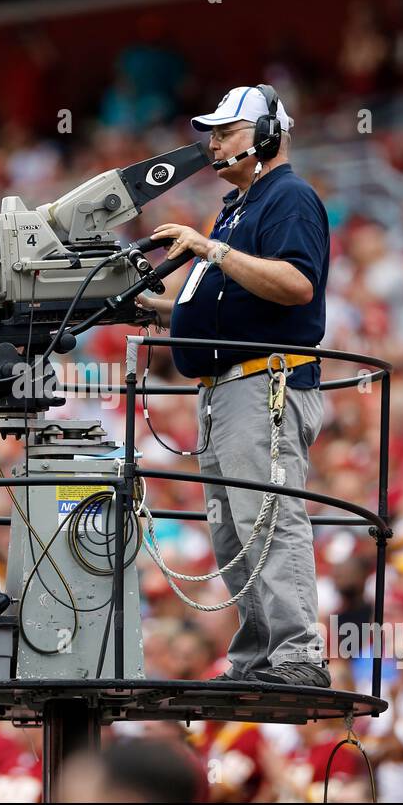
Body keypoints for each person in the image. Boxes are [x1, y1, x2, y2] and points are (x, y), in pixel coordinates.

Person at [140, 85, 331, 686]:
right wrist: (145, 305)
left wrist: (212, 249)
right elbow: (223, 304)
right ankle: (258, 658)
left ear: (269, 135)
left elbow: (297, 283)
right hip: (226, 389)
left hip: (263, 385)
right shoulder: (237, 205)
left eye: (227, 131)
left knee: (267, 519)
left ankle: (298, 655)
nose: (214, 142)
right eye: (214, 132)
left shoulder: (288, 197)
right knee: (231, 530)